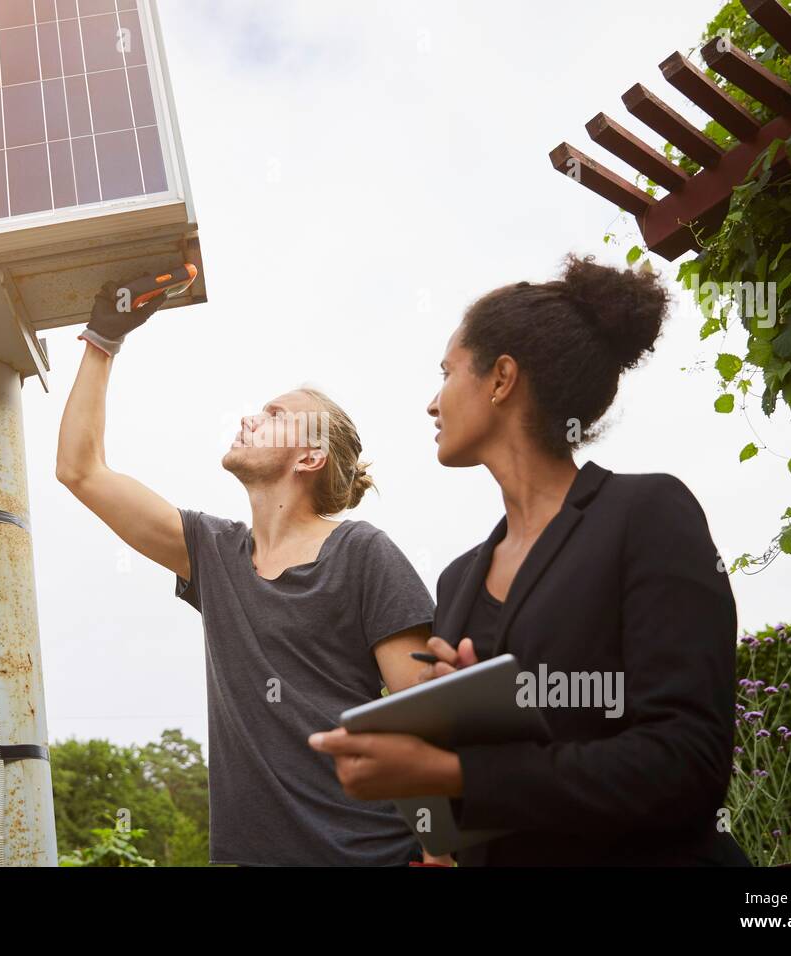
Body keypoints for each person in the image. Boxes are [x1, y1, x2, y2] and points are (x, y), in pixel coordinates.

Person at [309, 254, 752, 866]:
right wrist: (438, 775)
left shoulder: (647, 514)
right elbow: (497, 799)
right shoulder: (458, 580)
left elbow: (687, 766)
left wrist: (458, 769)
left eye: (446, 373)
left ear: (501, 378)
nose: (432, 404)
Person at [56, 279, 435, 866]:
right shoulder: (211, 553)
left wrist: (440, 846)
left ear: (310, 457)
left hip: (371, 856)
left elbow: (427, 719)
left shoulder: (364, 554)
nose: (250, 419)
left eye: (275, 415)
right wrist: (103, 338)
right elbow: (80, 470)